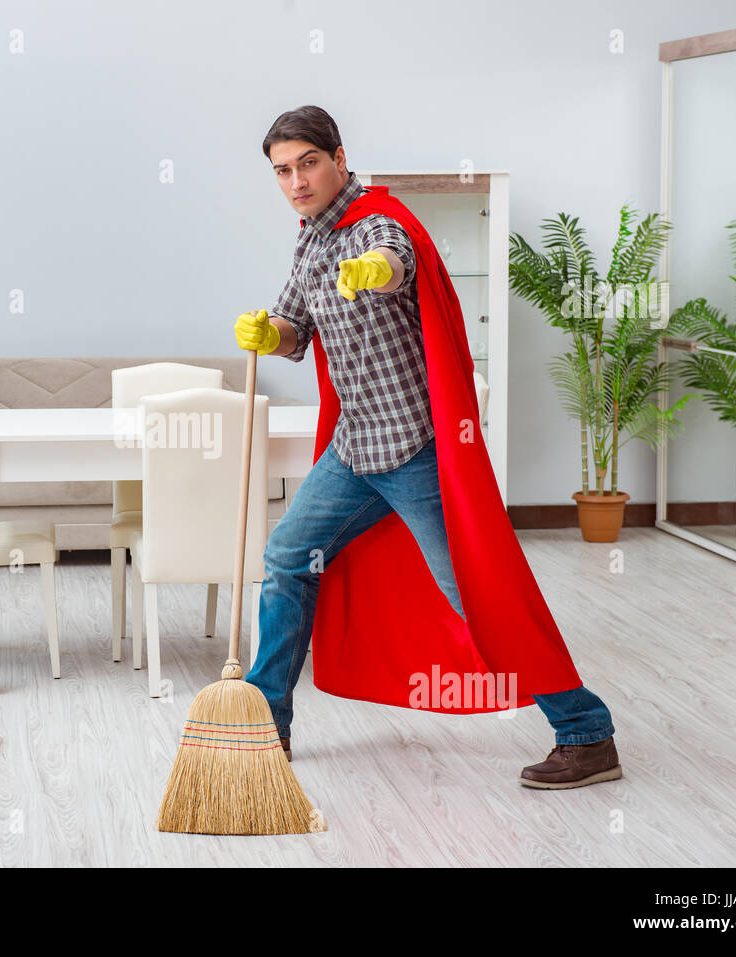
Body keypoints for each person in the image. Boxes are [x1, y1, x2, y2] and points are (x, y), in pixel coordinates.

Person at [235, 105, 621, 789]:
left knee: (476, 591)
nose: (296, 180)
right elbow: (295, 326)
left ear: (340, 158)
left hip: (414, 454)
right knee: (288, 558)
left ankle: (585, 732)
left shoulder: (376, 223)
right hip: (355, 454)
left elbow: (395, 259)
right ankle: (269, 723)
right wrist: (273, 335)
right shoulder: (313, 241)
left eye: (308, 163)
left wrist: (372, 272)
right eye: (283, 170)